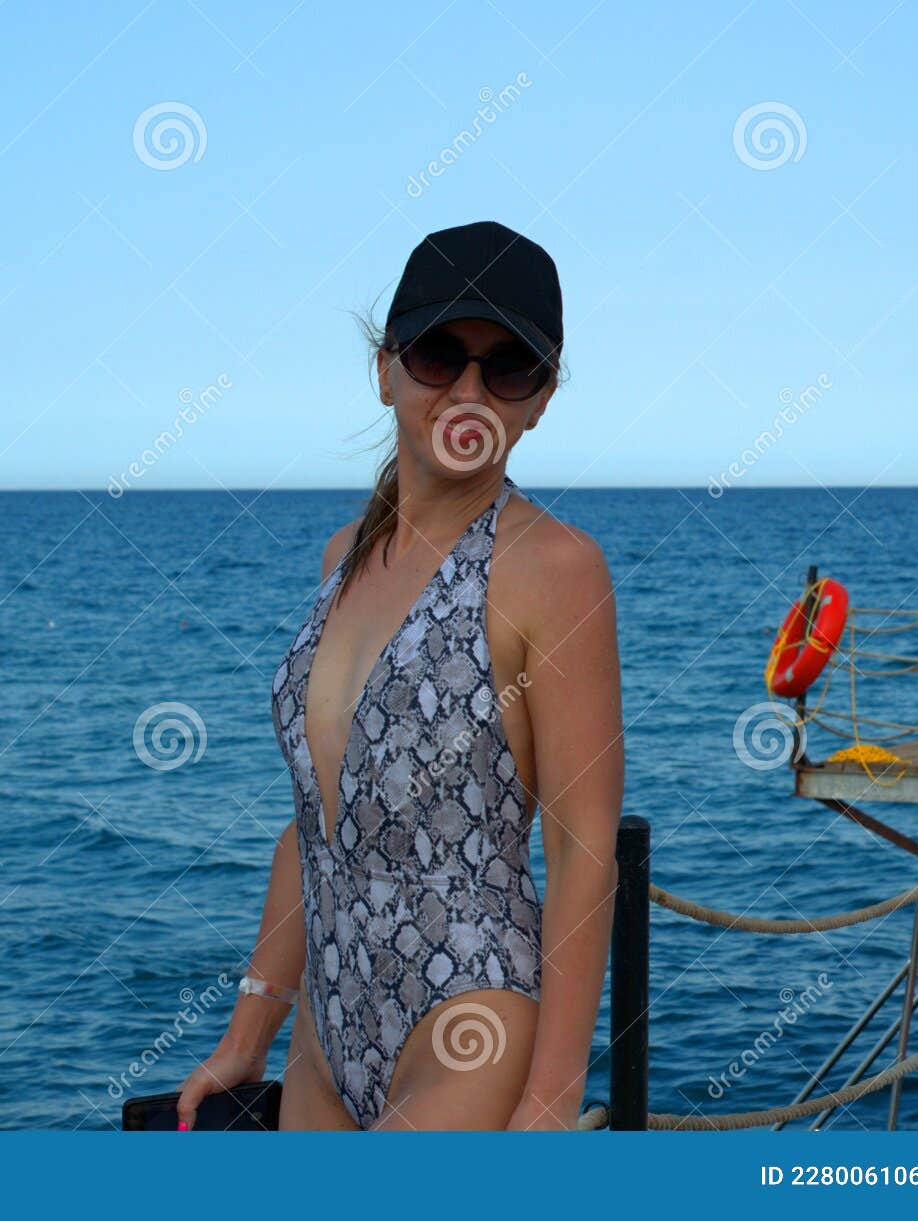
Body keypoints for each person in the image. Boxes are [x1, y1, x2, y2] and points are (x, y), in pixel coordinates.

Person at [176, 220, 624, 1130]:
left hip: (468, 1017)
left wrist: (550, 1101)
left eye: (508, 369)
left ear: (538, 401)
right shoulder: (344, 558)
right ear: (386, 369)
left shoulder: (555, 568)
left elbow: (584, 849)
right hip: (325, 1034)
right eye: (438, 354)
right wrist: (247, 1034)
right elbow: (315, 825)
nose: (469, 392)